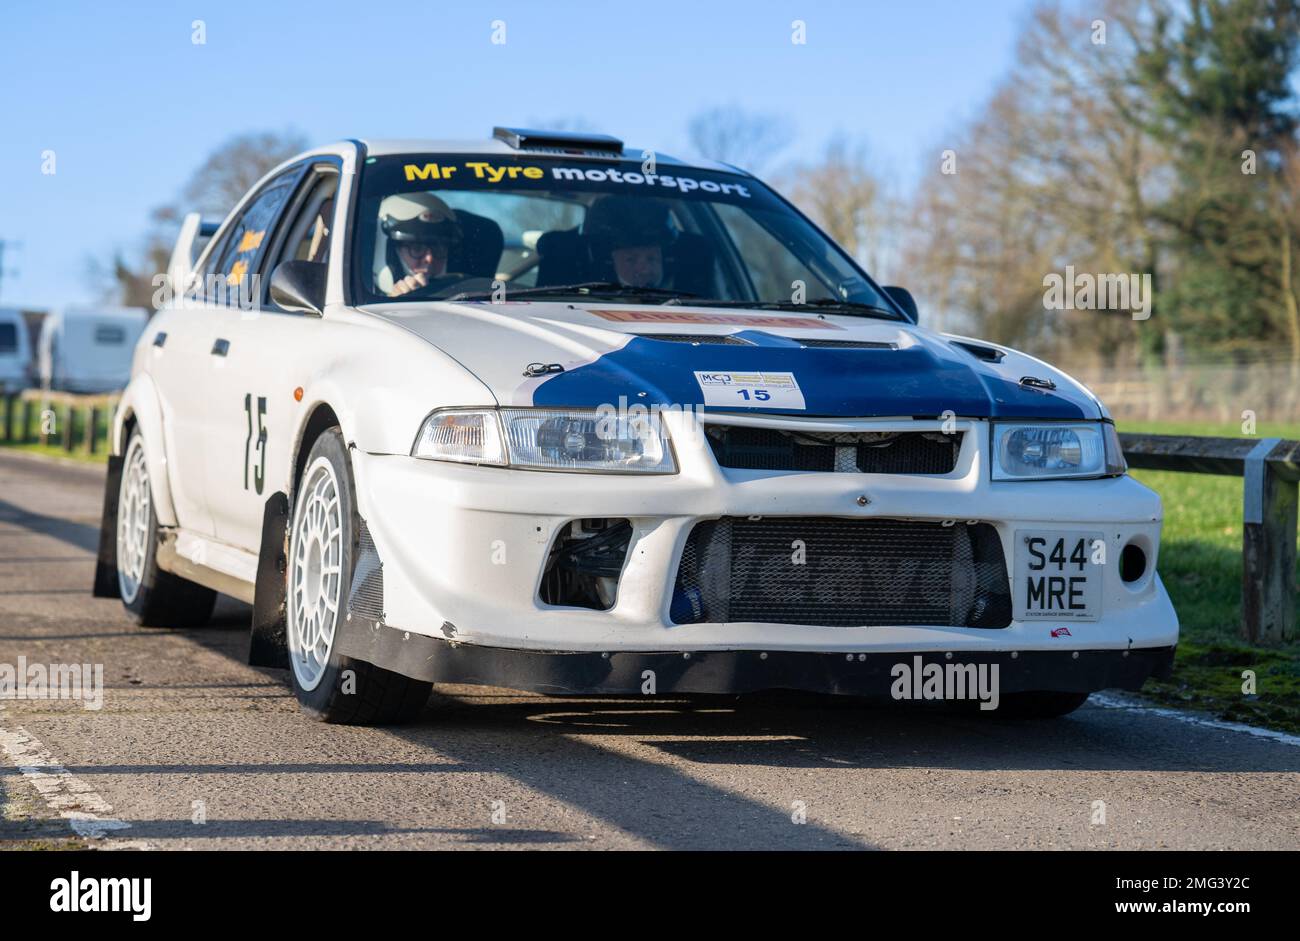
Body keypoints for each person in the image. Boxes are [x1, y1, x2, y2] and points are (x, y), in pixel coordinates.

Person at [379, 192, 463, 297]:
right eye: (417, 248)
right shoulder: (363, 309)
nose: (430, 258)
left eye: (439, 248)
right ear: (391, 252)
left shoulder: (469, 296)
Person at [583, 196, 676, 288]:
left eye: (651, 259)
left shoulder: (684, 295)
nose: (645, 271)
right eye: (631, 260)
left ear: (665, 261)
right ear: (610, 262)